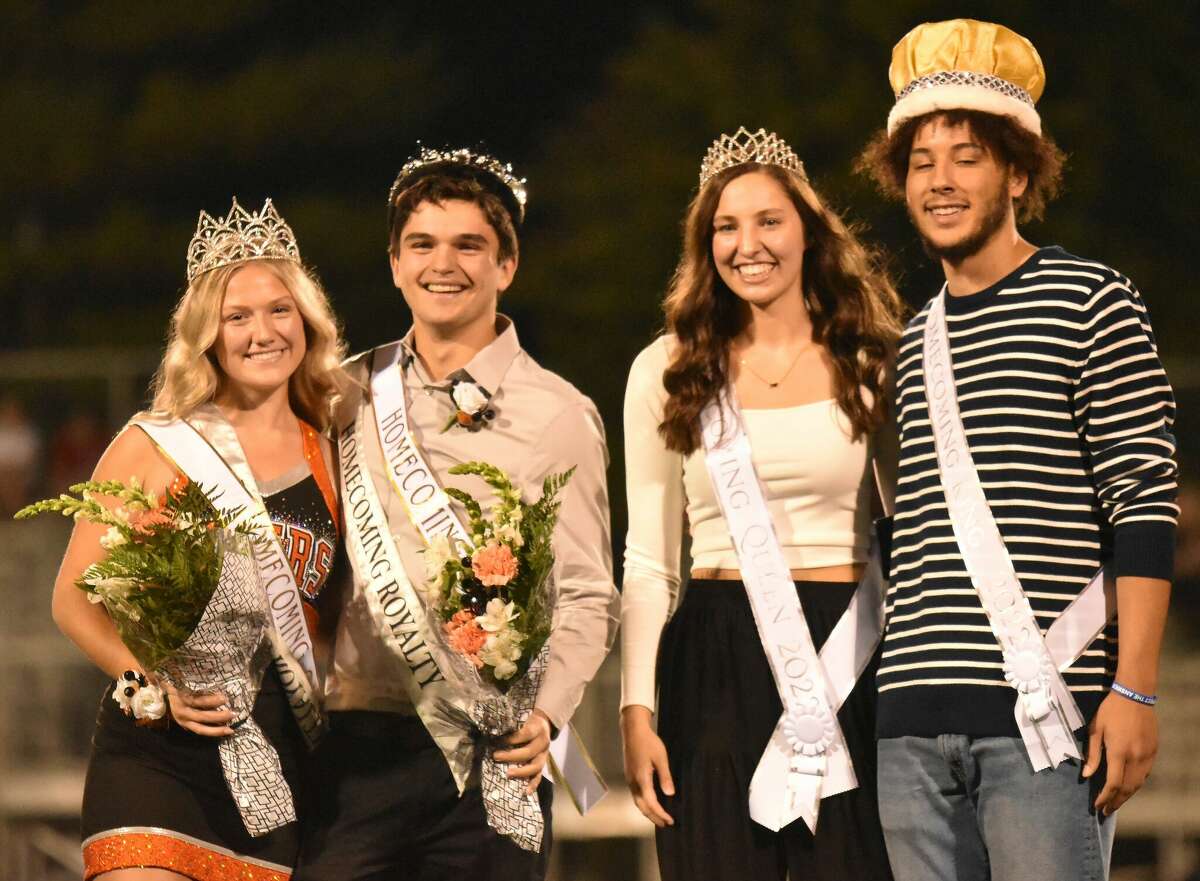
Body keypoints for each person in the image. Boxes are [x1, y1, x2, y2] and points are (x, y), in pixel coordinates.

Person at [856, 19, 1178, 881]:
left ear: (1019, 171)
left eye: (966, 156)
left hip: (1042, 721)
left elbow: (1144, 504)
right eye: (921, 162)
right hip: (909, 730)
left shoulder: (1091, 297)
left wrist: (1136, 689)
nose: (940, 181)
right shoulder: (910, 337)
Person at [294, 147, 618, 881]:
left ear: (507, 265)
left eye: (469, 244)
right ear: (395, 264)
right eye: (423, 245)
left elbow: (591, 593)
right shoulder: (342, 393)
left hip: (497, 751)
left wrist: (548, 716)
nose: (445, 264)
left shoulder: (560, 412)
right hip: (360, 749)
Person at [619, 126, 903, 881]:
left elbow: (913, 531)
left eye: (768, 220)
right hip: (712, 663)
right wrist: (636, 708)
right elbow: (649, 560)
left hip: (851, 652)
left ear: (809, 231)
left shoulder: (872, 358)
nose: (748, 244)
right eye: (726, 226)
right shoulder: (667, 370)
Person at [50, 197, 347, 880]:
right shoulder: (153, 442)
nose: (261, 331)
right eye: (236, 316)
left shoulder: (334, 450)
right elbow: (71, 600)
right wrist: (147, 683)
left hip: (276, 763)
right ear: (206, 334)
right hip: (155, 750)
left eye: (279, 310)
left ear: (306, 320)